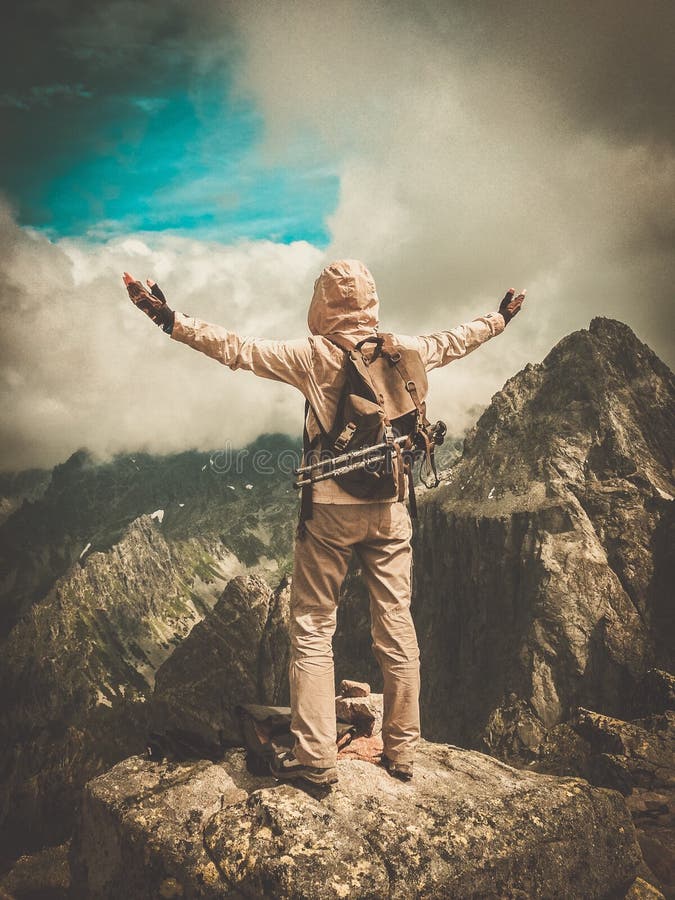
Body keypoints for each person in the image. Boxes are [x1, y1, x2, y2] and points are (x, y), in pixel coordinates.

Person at [123, 259, 526, 785]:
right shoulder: (405, 349)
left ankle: (315, 761)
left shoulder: (312, 356)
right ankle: (403, 751)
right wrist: (499, 320)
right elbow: (455, 340)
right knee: (397, 626)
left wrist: (168, 318)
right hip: (390, 508)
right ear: (371, 300)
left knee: (313, 626)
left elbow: (237, 349)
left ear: (323, 303)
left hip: (330, 512)